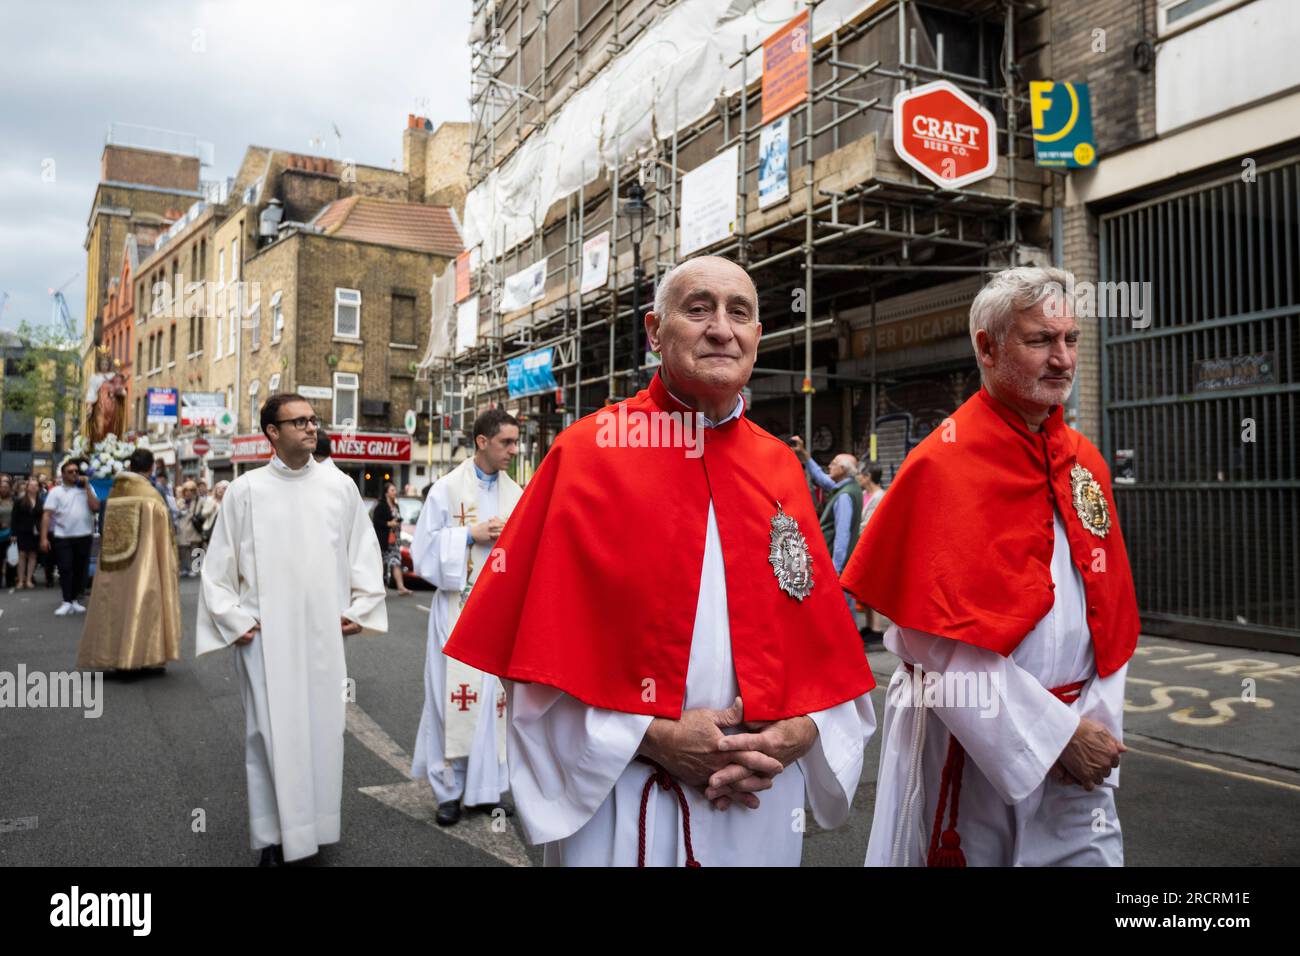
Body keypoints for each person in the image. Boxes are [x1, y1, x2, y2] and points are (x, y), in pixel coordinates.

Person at [443, 255, 876, 866]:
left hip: (760, 798)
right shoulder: (588, 454)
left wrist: (804, 732)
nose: (722, 328)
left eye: (740, 313)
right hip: (625, 795)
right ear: (654, 331)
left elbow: (821, 645)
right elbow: (535, 664)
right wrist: (652, 738)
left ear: (758, 335)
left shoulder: (779, 465)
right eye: (699, 308)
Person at [842, 267, 1138, 867]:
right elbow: (931, 640)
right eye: (1040, 341)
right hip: (976, 746)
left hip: (1082, 743)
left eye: (1071, 340)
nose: (1062, 359)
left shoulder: (1085, 461)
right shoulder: (941, 465)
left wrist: (1091, 730)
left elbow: (1108, 615)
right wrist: (1050, 737)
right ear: (987, 346)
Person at [196, 394, 387, 866]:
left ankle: (315, 829)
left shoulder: (339, 486)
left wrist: (361, 607)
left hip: (323, 635)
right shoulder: (245, 491)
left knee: (323, 732)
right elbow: (217, 568)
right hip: (264, 638)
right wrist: (234, 620)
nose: (309, 427)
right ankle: (272, 836)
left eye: (311, 419)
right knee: (268, 735)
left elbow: (363, 551)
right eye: (297, 421)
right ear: (271, 433)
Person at [409, 409, 521, 826]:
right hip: (456, 608)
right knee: (448, 700)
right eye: (506, 442)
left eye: (515, 441)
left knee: (496, 703)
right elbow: (423, 551)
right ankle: (449, 791)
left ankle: (486, 789)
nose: (514, 449)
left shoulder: (516, 493)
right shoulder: (445, 489)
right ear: (481, 441)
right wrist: (468, 536)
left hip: (496, 614)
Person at [77, 446, 181, 672]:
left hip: (113, 563)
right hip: (146, 563)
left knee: (114, 605)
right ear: (151, 467)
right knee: (142, 605)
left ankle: (111, 656)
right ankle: (141, 657)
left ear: (130, 466)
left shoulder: (114, 493)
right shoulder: (152, 495)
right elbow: (165, 535)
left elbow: (101, 522)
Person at [40, 459, 100, 616]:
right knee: (66, 568)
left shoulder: (87, 489)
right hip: (63, 536)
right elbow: (47, 515)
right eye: (70, 472)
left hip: (84, 535)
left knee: (80, 570)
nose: (74, 474)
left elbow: (95, 507)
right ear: (63, 474)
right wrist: (44, 538)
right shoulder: (56, 492)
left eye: (76, 471)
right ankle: (66, 601)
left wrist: (87, 486)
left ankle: (74, 600)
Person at [372, 482, 412, 597]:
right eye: (392, 490)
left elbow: (397, 517)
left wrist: (398, 521)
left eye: (395, 490)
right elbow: (376, 521)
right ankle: (377, 589)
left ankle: (401, 587)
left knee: (396, 562)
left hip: (394, 540)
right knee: (381, 563)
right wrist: (389, 523)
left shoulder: (396, 505)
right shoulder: (381, 505)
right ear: (386, 492)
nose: (395, 492)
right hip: (384, 540)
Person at [13, 477, 43, 589]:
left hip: (35, 532)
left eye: (35, 485)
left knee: (33, 555)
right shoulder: (19, 501)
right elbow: (14, 518)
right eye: (31, 485)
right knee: (22, 555)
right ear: (27, 487)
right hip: (22, 531)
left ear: (38, 488)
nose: (33, 487)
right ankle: (21, 580)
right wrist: (14, 533)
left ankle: (29, 579)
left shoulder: (41, 501)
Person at [175, 481, 203, 578]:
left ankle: (195, 569)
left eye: (191, 490)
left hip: (194, 528)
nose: (189, 492)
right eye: (186, 490)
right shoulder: (179, 501)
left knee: (195, 549)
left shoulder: (199, 501)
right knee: (183, 550)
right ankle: (184, 569)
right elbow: (176, 514)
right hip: (182, 529)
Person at [0, 475, 14, 589]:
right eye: (1, 487)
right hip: (0, 532)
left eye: (6, 487)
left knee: (11, 557)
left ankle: (10, 580)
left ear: (10, 488)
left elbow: (18, 517)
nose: (3, 489)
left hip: (11, 533)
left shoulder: (15, 500)